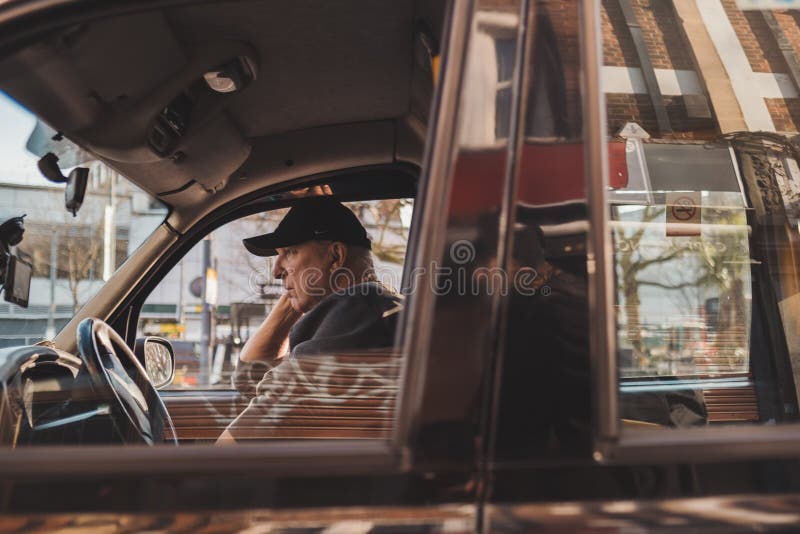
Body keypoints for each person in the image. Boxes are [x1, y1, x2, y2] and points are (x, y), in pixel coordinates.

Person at [218, 197, 402, 443]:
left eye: (290, 253)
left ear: (335, 256)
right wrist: (295, 298)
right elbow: (249, 380)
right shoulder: (373, 307)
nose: (276, 270)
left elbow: (233, 448)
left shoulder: (353, 317)